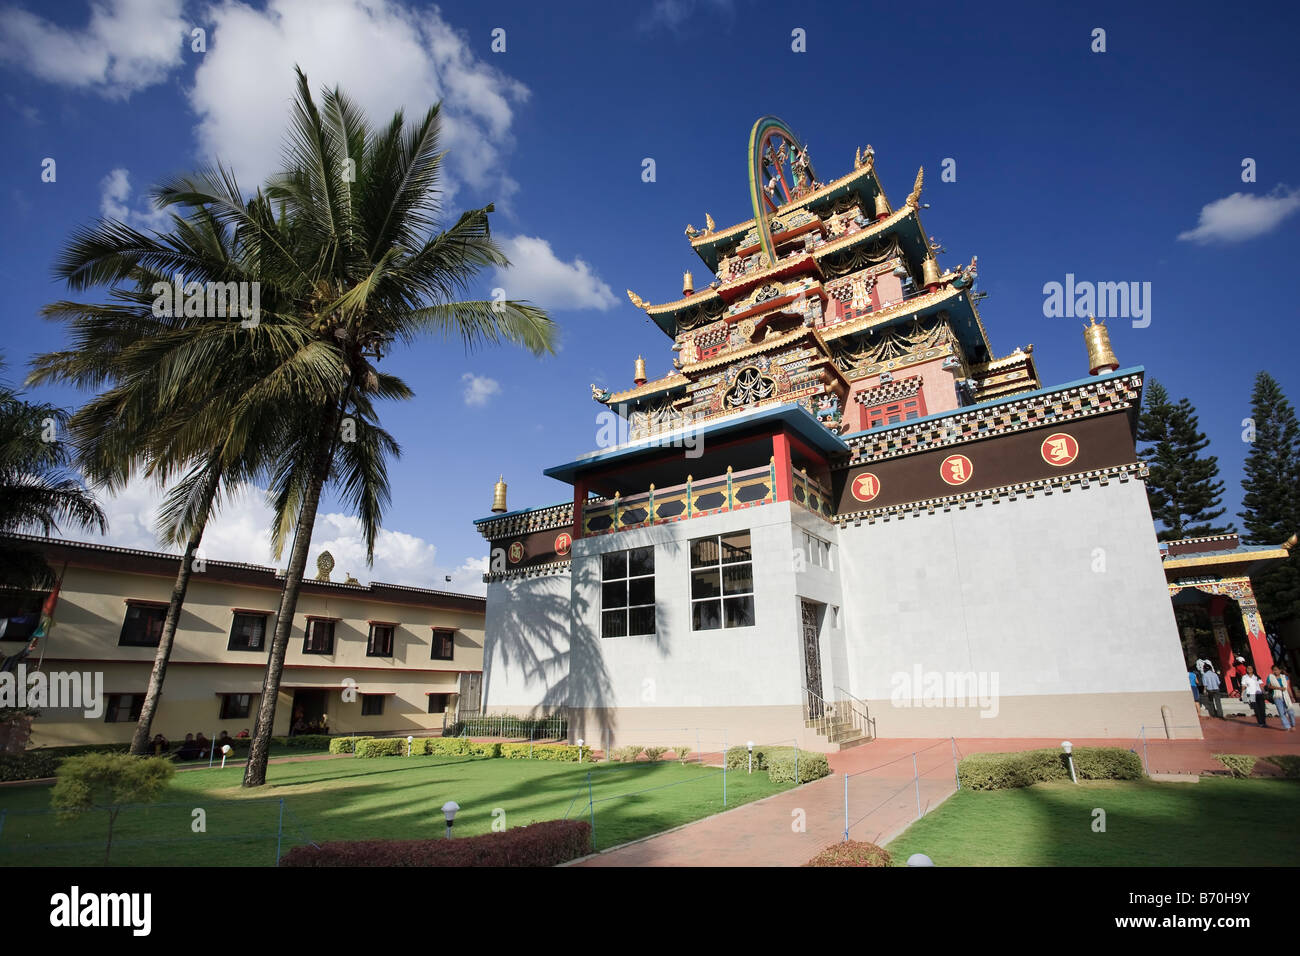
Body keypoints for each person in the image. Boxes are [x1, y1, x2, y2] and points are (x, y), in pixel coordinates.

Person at [1266, 666, 1294, 732]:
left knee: (1290, 711)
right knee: (1281, 713)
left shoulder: (1285, 677)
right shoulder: (1270, 677)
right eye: (1274, 670)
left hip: (1286, 696)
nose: (1275, 671)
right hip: (1277, 696)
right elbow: (1268, 686)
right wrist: (1279, 688)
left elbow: (1288, 688)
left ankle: (1293, 724)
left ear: (1280, 670)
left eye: (1276, 670)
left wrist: (1292, 697)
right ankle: (1287, 726)